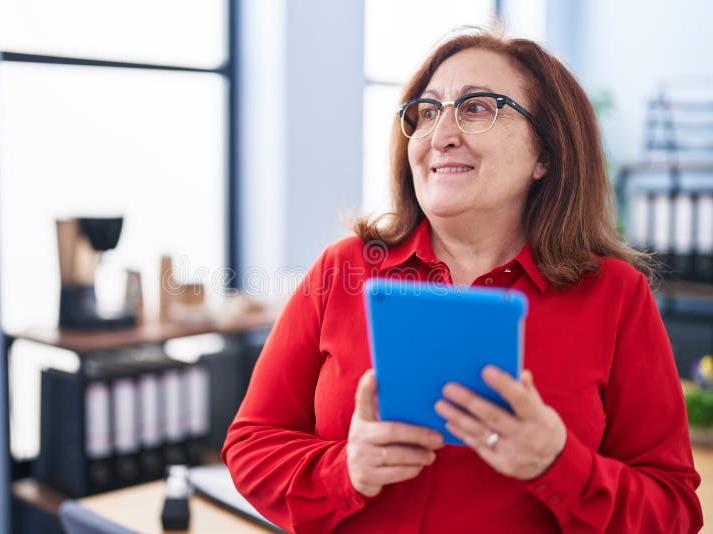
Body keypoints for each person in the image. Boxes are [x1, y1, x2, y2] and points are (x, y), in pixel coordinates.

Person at [222, 27, 703, 533]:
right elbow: (250, 445)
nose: (440, 134)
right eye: (427, 112)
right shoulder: (342, 270)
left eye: (477, 107)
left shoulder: (614, 295)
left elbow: (673, 511)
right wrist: (346, 472)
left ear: (546, 153)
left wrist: (559, 464)